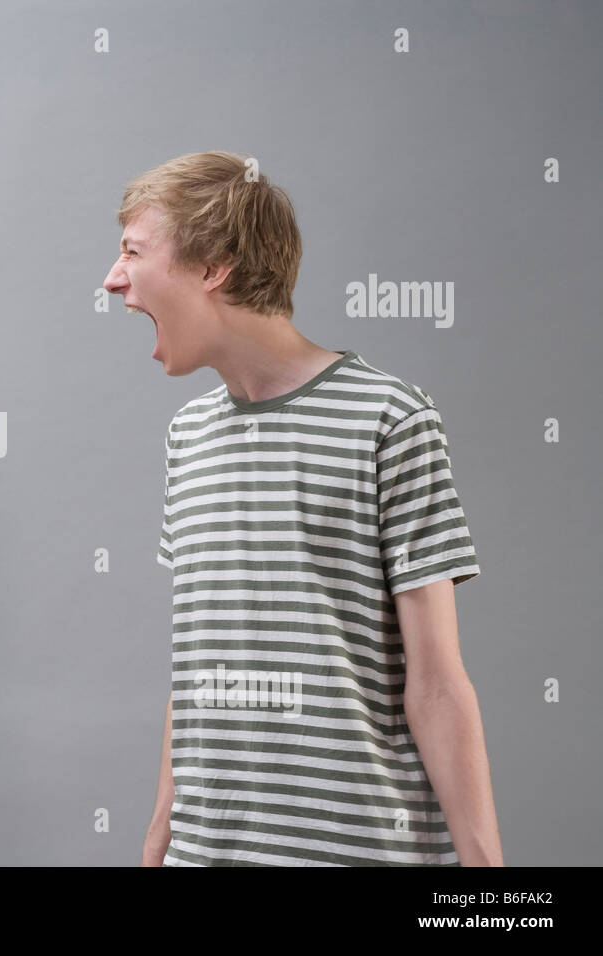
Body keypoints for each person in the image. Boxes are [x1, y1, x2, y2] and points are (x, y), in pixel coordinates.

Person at [103, 151, 503, 866]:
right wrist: (162, 836)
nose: (113, 278)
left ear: (212, 267)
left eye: (133, 251)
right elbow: (199, 665)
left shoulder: (389, 419)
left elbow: (438, 683)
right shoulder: (189, 435)